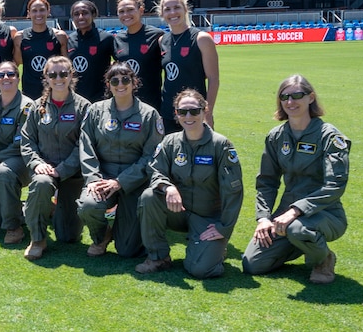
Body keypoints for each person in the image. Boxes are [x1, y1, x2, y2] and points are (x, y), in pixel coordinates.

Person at [241, 75, 350, 285]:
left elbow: (335, 185)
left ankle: (324, 259)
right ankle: (301, 243)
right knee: (252, 264)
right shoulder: (276, 136)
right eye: (284, 97)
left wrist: (296, 211)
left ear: (311, 98)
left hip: (325, 214)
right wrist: (263, 218)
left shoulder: (329, 136)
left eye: (297, 96)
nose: (290, 102)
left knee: (297, 229)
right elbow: (266, 182)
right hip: (285, 216)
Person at [137, 89, 242, 278]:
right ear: (176, 113)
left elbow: (233, 190)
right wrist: (167, 186)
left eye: (194, 111)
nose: (188, 116)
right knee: (149, 197)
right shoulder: (170, 142)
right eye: (182, 112)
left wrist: (224, 227)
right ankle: (158, 257)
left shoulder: (221, 145)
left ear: (204, 110)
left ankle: (215, 250)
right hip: (178, 211)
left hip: (207, 218)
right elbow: (155, 170)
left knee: (201, 270)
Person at [76, 62, 164, 260]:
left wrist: (120, 182)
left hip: (135, 182)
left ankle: (125, 228)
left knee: (127, 250)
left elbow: (151, 156)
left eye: (125, 79)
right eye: (114, 81)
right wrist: (93, 179)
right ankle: (101, 237)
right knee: (88, 205)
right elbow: (86, 146)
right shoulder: (96, 110)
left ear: (134, 82)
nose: (120, 84)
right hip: (102, 177)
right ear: (108, 85)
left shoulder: (149, 115)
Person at [19, 56, 92, 260]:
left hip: (73, 174)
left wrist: (63, 169)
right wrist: (37, 164)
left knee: (68, 236)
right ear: (46, 77)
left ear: (71, 75)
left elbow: (84, 144)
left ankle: (51, 209)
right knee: (41, 183)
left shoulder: (84, 107)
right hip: (45, 170)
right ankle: (37, 238)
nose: (58, 78)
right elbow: (27, 140)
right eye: (52, 74)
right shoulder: (37, 107)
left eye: (63, 74)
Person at [0, 61, 32, 246]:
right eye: (1, 75)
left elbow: (20, 143)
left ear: (18, 78)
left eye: (10, 74)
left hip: (20, 162)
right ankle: (29, 208)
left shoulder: (27, 106)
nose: (6, 78)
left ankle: (14, 228)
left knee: (3, 172)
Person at [157, 0, 219, 130]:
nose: (172, 12)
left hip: (194, 112)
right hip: (167, 113)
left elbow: (213, 79)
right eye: (167, 9)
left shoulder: (201, 38)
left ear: (185, 9)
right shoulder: (162, 41)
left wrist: (208, 113)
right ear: (162, 14)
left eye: (177, 7)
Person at [113, 0, 164, 110]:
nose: (126, 14)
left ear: (141, 10)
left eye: (130, 10)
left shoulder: (156, 36)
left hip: (151, 104)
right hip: (124, 105)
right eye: (121, 11)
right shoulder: (117, 39)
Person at [18, 0, 68, 99]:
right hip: (29, 92)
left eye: (42, 10)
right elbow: (18, 61)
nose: (38, 14)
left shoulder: (60, 36)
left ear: (48, 11)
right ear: (28, 13)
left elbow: (67, 66)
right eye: (34, 11)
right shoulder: (19, 37)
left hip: (54, 91)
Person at [66, 0, 115, 102]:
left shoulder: (106, 39)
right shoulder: (69, 40)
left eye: (85, 13)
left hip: (100, 99)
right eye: (76, 14)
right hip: (75, 100)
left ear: (93, 15)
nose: (80, 17)